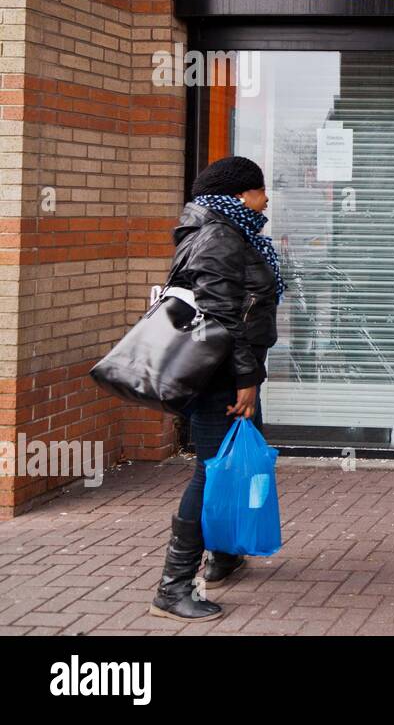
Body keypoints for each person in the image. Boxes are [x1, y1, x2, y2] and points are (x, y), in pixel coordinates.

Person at [150, 155, 283, 622]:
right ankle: (173, 587)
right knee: (212, 470)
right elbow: (222, 317)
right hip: (222, 378)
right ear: (239, 195)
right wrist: (245, 380)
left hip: (232, 370)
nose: (267, 198)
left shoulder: (225, 231)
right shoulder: (220, 236)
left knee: (239, 464)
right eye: (261, 190)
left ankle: (224, 554)